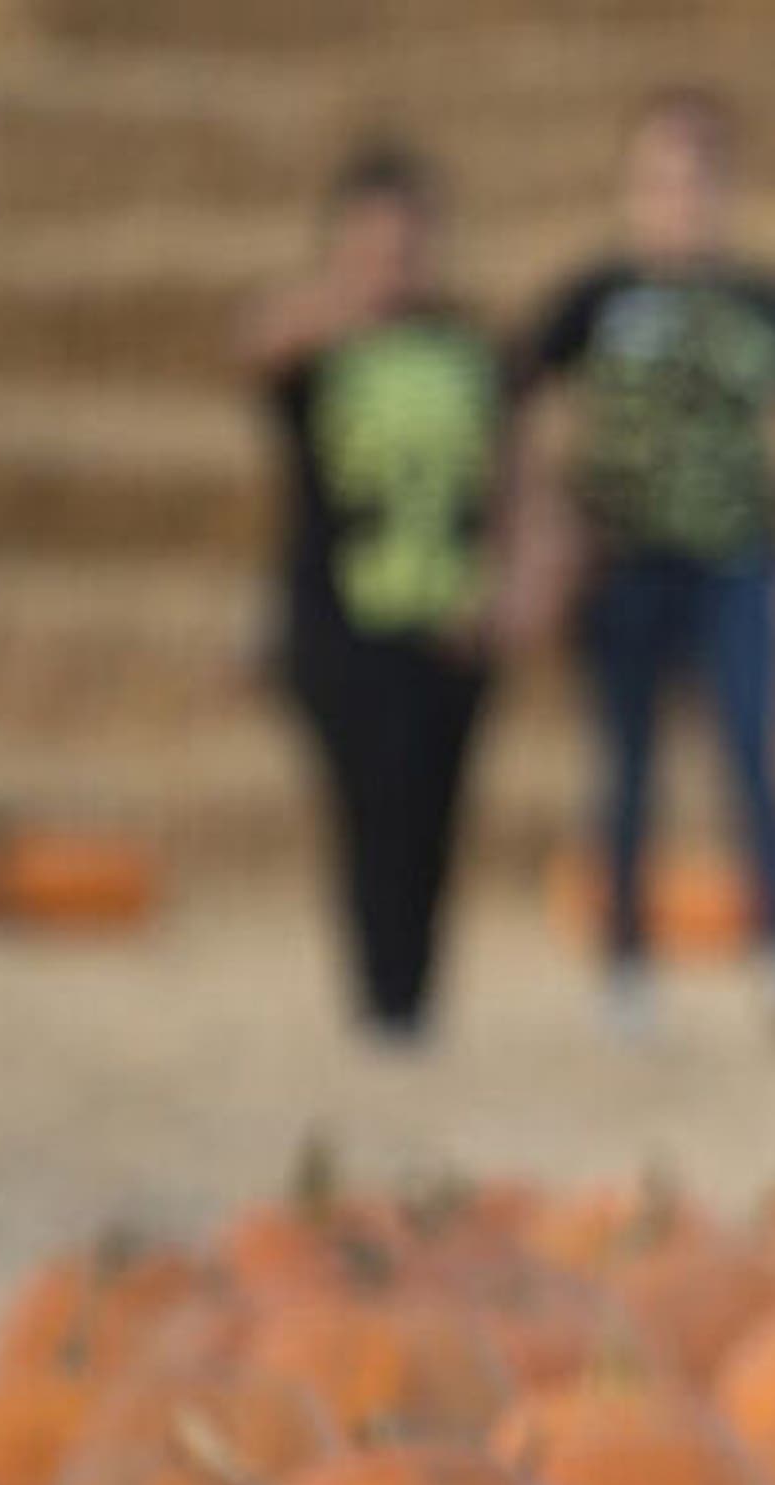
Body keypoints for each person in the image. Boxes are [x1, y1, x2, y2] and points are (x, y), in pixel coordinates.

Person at [521, 88, 775, 1038]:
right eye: (662, 177)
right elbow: (521, 410)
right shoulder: (593, 297)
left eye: (698, 176)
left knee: (756, 751)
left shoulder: (765, 302)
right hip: (624, 565)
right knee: (626, 767)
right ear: (633, 187)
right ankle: (627, 964)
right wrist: (549, 526)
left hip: (739, 561)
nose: (681, 197)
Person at [240, 142, 506, 1043]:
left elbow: (510, 474)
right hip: (340, 618)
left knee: (433, 810)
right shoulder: (317, 351)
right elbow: (255, 344)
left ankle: (415, 996)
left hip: (451, 616)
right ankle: (380, 996)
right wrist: (352, 299)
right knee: (368, 804)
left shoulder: (469, 351)